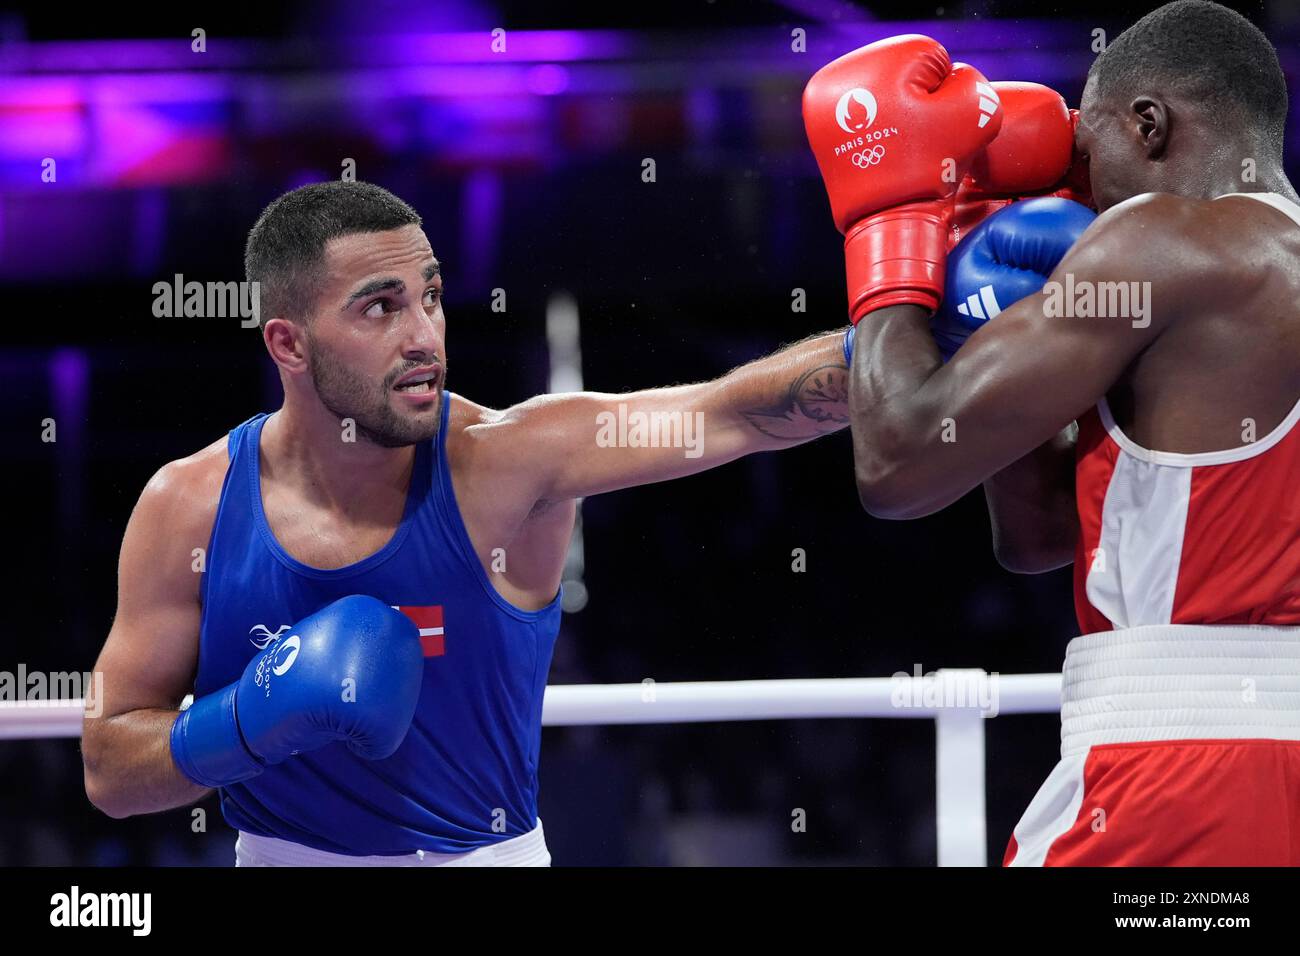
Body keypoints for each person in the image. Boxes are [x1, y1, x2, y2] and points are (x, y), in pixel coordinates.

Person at [81, 179, 850, 866]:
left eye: (431, 296)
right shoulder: (189, 505)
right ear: (288, 342)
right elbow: (110, 767)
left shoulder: (508, 464)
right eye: (381, 306)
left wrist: (915, 321)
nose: (424, 336)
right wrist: (248, 724)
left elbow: (734, 413)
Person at [810, 2, 1300, 865]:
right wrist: (999, 321)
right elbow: (1037, 537)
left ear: (1148, 125)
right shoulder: (1248, 276)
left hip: (1182, 777)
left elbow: (898, 462)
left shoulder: (1156, 246)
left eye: (1087, 144)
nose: (1076, 180)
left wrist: (889, 233)